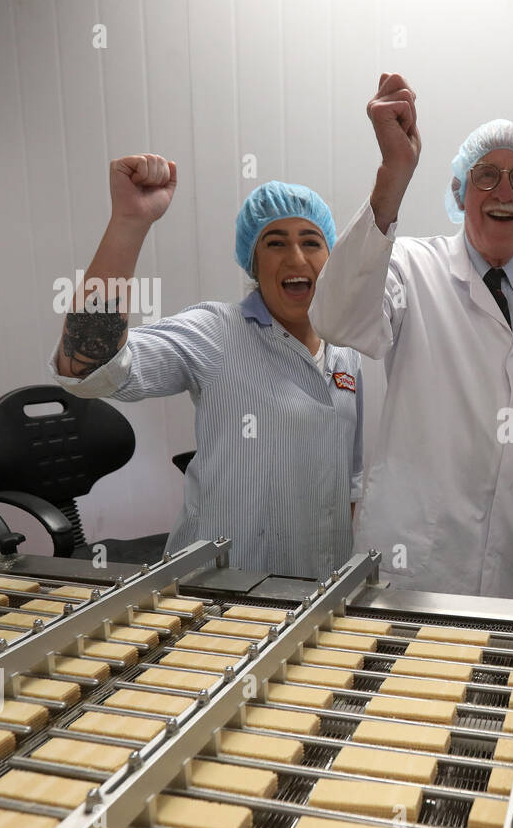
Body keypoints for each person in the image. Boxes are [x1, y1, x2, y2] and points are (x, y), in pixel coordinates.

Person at [309, 76, 513, 599]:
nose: (504, 192)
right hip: (426, 565)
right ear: (460, 190)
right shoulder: (409, 266)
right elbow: (336, 319)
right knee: (411, 682)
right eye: (487, 176)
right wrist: (394, 175)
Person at [51, 155, 363, 578]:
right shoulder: (216, 333)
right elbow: (89, 365)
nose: (296, 256)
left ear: (330, 256)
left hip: (318, 583)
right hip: (223, 587)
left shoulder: (346, 352)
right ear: (252, 263)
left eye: (311, 241)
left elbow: (348, 482)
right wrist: (130, 222)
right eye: (274, 242)